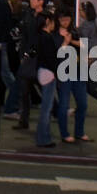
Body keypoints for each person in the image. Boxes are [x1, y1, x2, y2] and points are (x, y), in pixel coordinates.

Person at [55, 6, 92, 143]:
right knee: (64, 104)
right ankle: (65, 134)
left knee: (82, 103)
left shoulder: (74, 31)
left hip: (78, 69)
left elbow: (83, 45)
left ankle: (79, 132)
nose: (64, 22)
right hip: (64, 71)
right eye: (62, 19)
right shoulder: (55, 33)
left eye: (67, 19)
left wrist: (71, 41)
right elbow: (58, 53)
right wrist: (65, 42)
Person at [13, 0, 49, 129]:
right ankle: (23, 120)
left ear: (41, 1)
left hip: (39, 58)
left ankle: (57, 112)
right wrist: (23, 54)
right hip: (28, 57)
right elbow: (24, 35)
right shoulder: (28, 14)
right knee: (25, 89)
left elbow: (42, 39)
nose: (31, 0)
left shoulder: (45, 17)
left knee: (43, 88)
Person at [32, 12, 62, 147]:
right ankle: (43, 138)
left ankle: (43, 137)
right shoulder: (47, 37)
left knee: (46, 107)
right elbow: (52, 59)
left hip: (41, 72)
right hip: (48, 73)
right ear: (48, 21)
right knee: (46, 108)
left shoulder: (38, 36)